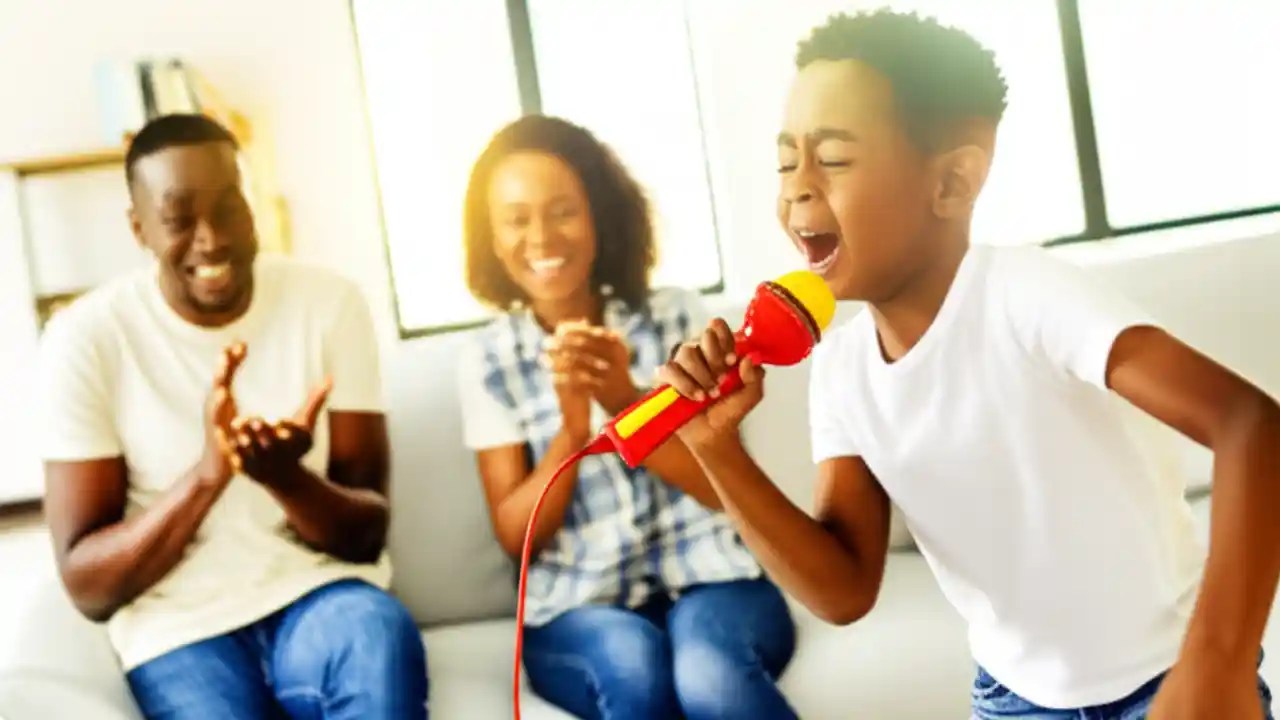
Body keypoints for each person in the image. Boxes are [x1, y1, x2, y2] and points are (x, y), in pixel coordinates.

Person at [660, 10, 1279, 720]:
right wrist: (713, 447)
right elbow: (843, 589)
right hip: (1013, 701)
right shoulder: (842, 370)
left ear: (952, 182)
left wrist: (1217, 663)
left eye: (831, 159)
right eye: (785, 161)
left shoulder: (1025, 293)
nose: (797, 187)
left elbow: (1251, 424)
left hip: (1169, 680)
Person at [37, 114, 428, 719]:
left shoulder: (330, 303)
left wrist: (283, 477)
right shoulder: (84, 338)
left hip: (322, 595)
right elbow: (89, 585)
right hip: (180, 630)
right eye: (178, 218)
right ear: (138, 229)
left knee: (375, 640)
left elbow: (366, 533)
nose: (211, 239)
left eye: (228, 208)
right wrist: (207, 476)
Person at [457, 114, 797, 720]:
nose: (541, 237)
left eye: (563, 210)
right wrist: (571, 428)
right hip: (575, 605)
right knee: (633, 666)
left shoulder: (675, 317)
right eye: (515, 219)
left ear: (599, 217)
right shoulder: (487, 360)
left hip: (715, 577)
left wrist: (622, 399)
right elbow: (519, 536)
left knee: (711, 675)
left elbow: (725, 491)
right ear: (490, 236)